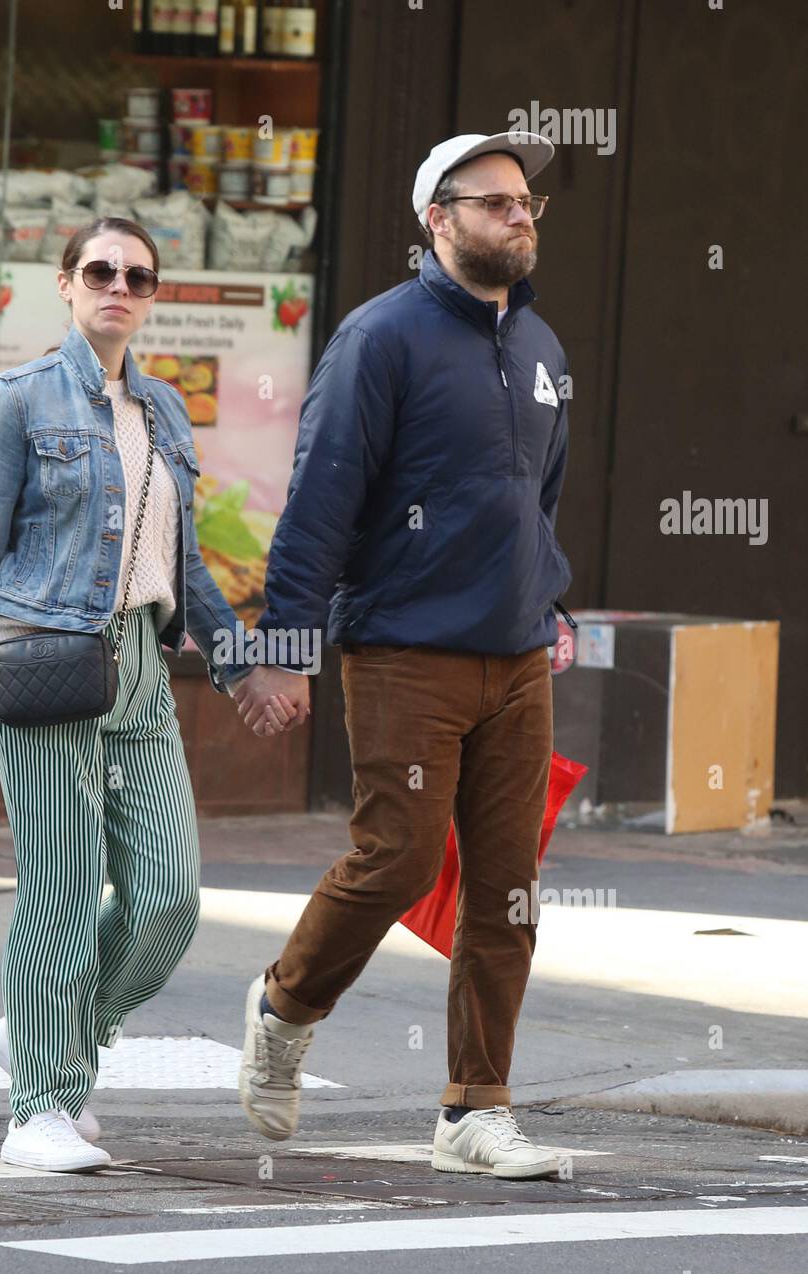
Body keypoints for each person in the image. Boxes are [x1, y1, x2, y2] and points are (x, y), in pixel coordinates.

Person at [0, 217, 302, 1173]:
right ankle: (37, 1104)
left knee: (170, 899)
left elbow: (184, 565)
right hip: (44, 667)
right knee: (63, 890)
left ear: (154, 295)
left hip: (141, 671)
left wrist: (240, 666)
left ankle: (55, 1038)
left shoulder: (164, 409)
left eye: (139, 276)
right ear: (66, 283)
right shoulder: (16, 403)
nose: (119, 285)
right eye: (100, 270)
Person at [236, 132, 575, 1180]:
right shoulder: (378, 339)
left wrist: (546, 600)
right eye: (493, 203)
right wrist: (285, 651)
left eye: (526, 203)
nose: (518, 217)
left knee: (507, 891)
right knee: (399, 859)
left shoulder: (543, 350)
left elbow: (538, 498)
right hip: (403, 651)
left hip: (515, 658)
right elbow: (317, 506)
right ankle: (284, 1006)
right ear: (438, 221)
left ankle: (474, 1109)